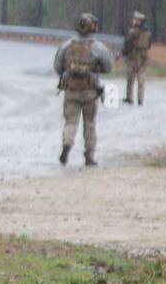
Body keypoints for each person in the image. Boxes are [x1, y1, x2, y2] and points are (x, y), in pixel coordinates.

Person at [54, 12, 113, 167]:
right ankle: (89, 156)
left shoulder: (67, 45)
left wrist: (70, 75)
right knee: (90, 123)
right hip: (90, 92)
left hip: (71, 91)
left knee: (70, 122)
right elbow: (108, 67)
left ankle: (67, 144)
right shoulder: (99, 47)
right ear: (93, 27)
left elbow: (57, 67)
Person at [121, 11, 152, 105]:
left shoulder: (132, 32)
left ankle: (129, 97)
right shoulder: (148, 33)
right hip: (144, 58)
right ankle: (140, 99)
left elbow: (127, 45)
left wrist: (123, 53)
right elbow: (149, 45)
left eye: (135, 19)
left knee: (130, 79)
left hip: (133, 58)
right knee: (141, 79)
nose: (133, 21)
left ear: (139, 21)